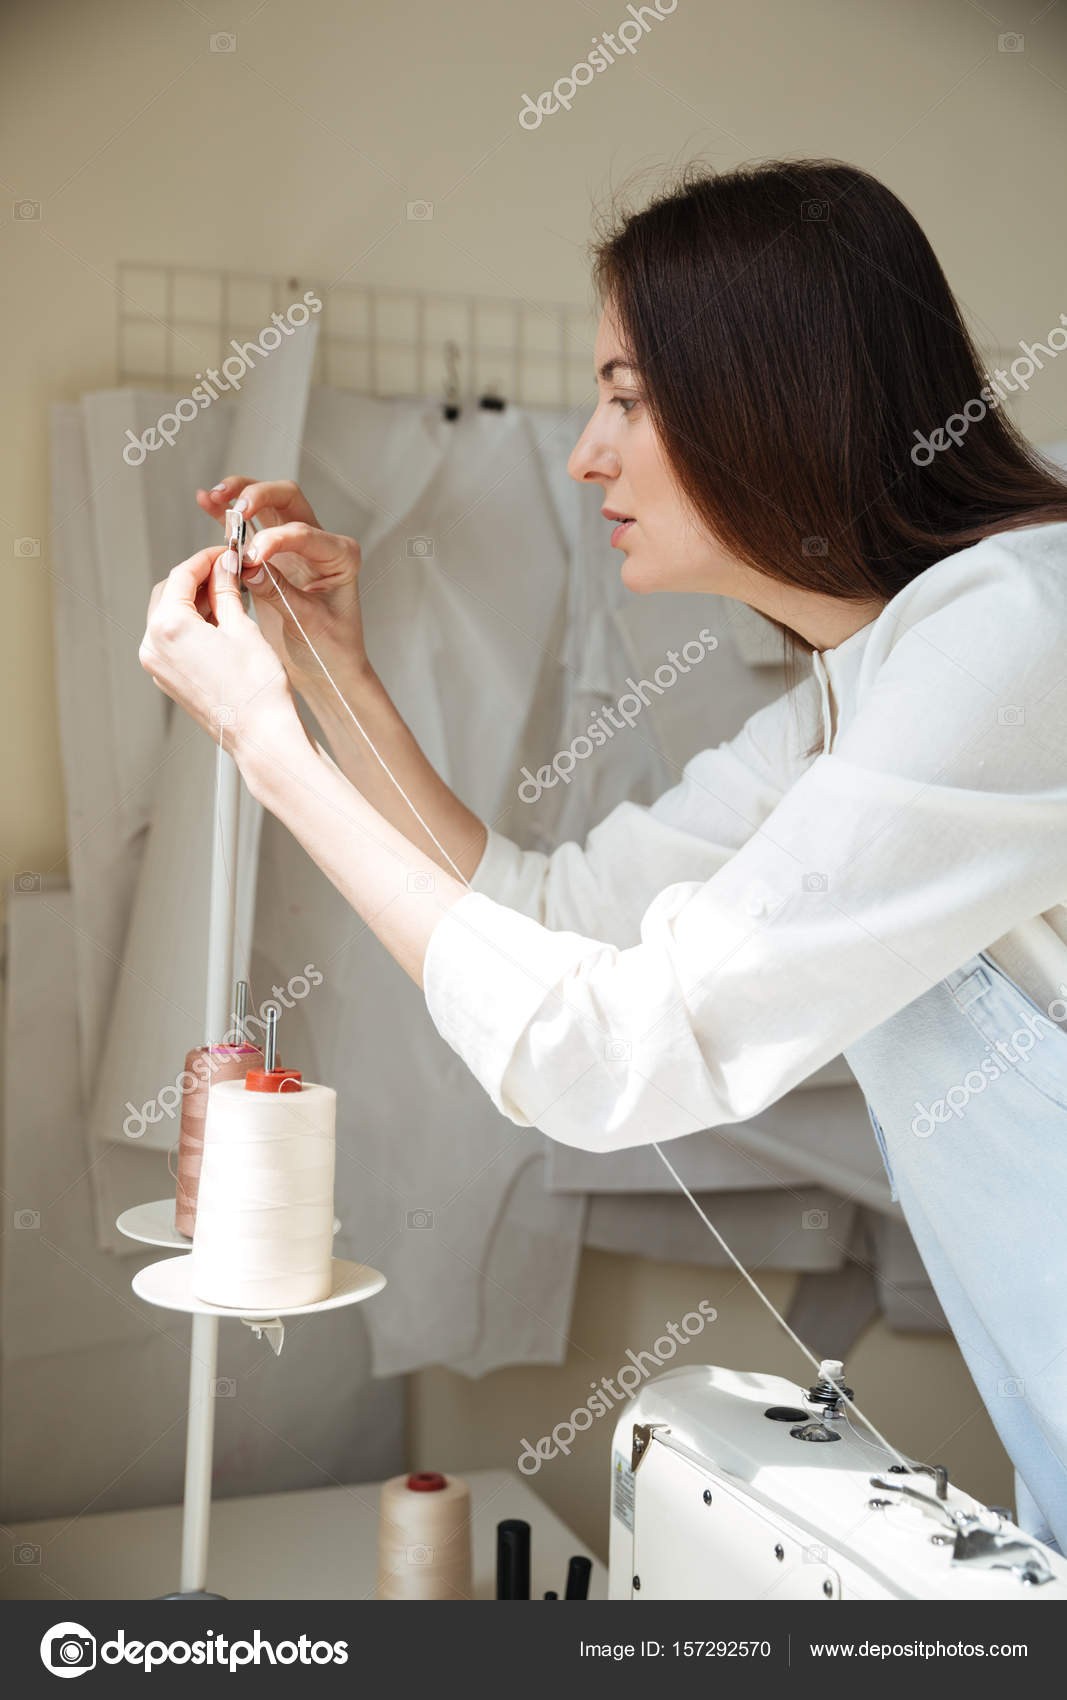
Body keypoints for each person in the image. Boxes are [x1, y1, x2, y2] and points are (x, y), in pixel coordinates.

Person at [139, 159, 1067, 1550]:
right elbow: (553, 914)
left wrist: (267, 747)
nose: (587, 455)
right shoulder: (869, 681)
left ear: (769, 396)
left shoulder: (1019, 636)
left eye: (627, 399)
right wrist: (332, 684)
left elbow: (603, 1056)